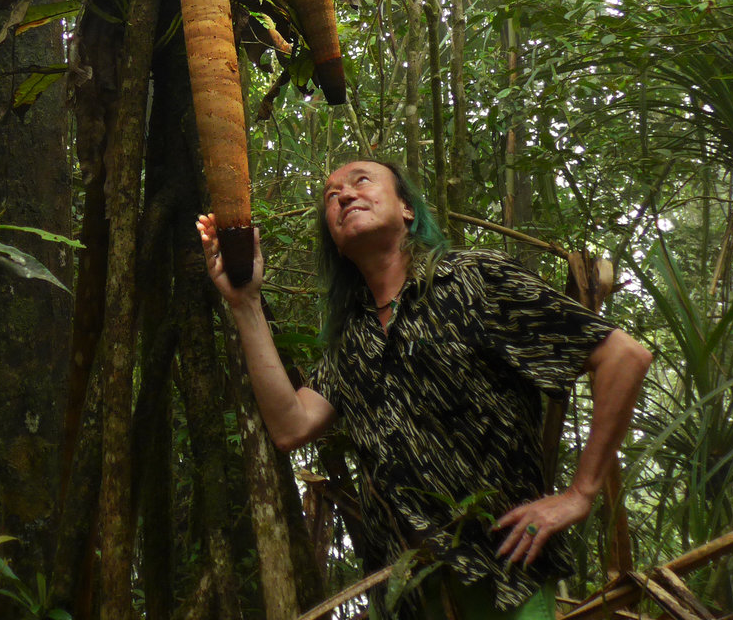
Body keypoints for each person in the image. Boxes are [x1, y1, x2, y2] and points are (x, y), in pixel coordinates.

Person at [197, 159, 652, 620]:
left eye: (361, 182)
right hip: (404, 593)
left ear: (408, 210)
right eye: (331, 196)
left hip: (504, 575)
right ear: (334, 239)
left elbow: (623, 357)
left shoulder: (477, 280)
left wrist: (579, 494)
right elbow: (290, 426)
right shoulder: (351, 338)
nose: (344, 196)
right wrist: (246, 303)